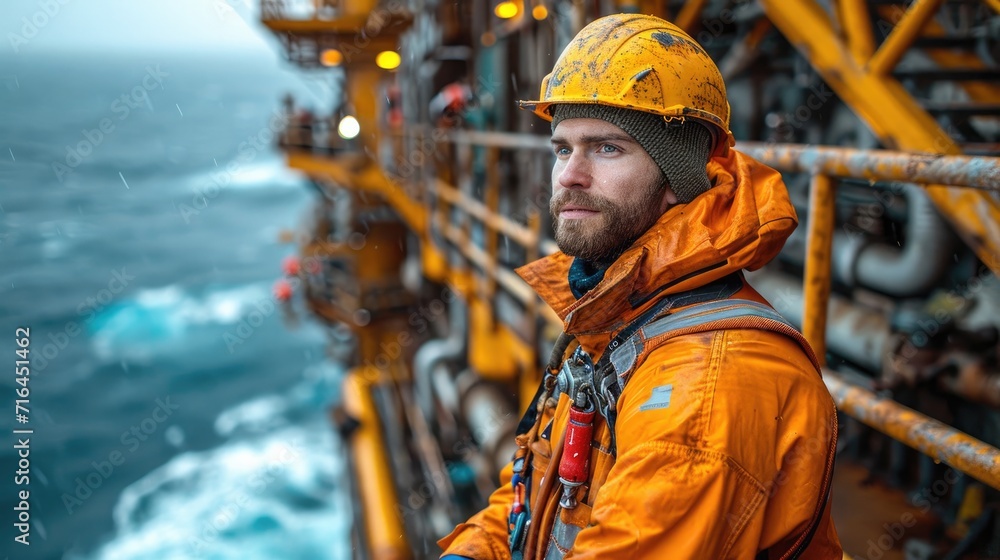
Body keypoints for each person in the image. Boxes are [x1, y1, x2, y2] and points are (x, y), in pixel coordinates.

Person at [438, 13, 842, 560]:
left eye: (607, 148)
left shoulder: (710, 386)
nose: (569, 176)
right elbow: (535, 500)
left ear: (678, 180)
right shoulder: (618, 312)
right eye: (563, 148)